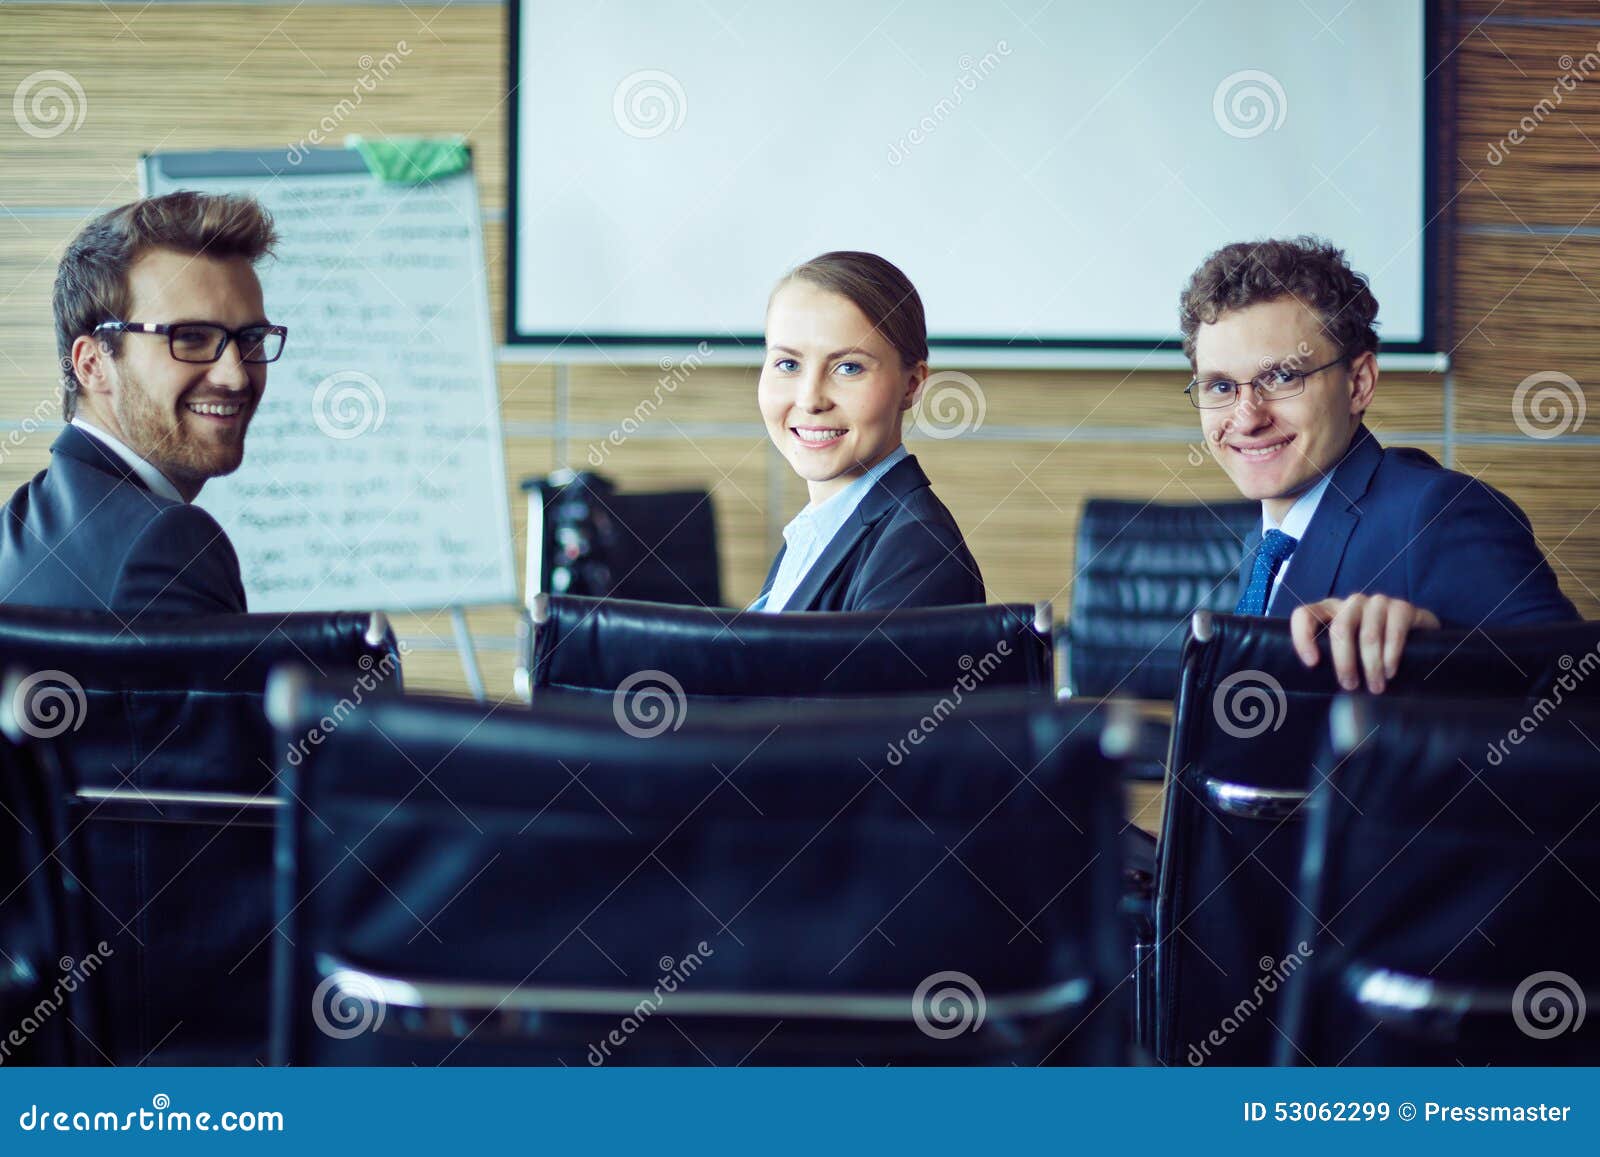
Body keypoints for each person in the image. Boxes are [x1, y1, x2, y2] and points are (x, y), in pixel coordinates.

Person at [1180, 235, 1577, 693]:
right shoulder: (1268, 541)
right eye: (1221, 386)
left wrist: (1439, 650)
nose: (1247, 418)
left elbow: (1577, 692)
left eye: (1283, 377)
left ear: (1358, 384)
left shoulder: (1438, 513)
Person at [0, 191, 285, 617]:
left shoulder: (16, 526)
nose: (236, 376)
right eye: (190, 337)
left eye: (251, 339)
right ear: (93, 364)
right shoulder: (168, 541)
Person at [749, 251, 983, 612]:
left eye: (848, 368)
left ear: (911, 386)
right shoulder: (814, 531)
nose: (810, 400)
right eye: (788, 364)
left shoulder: (919, 555)